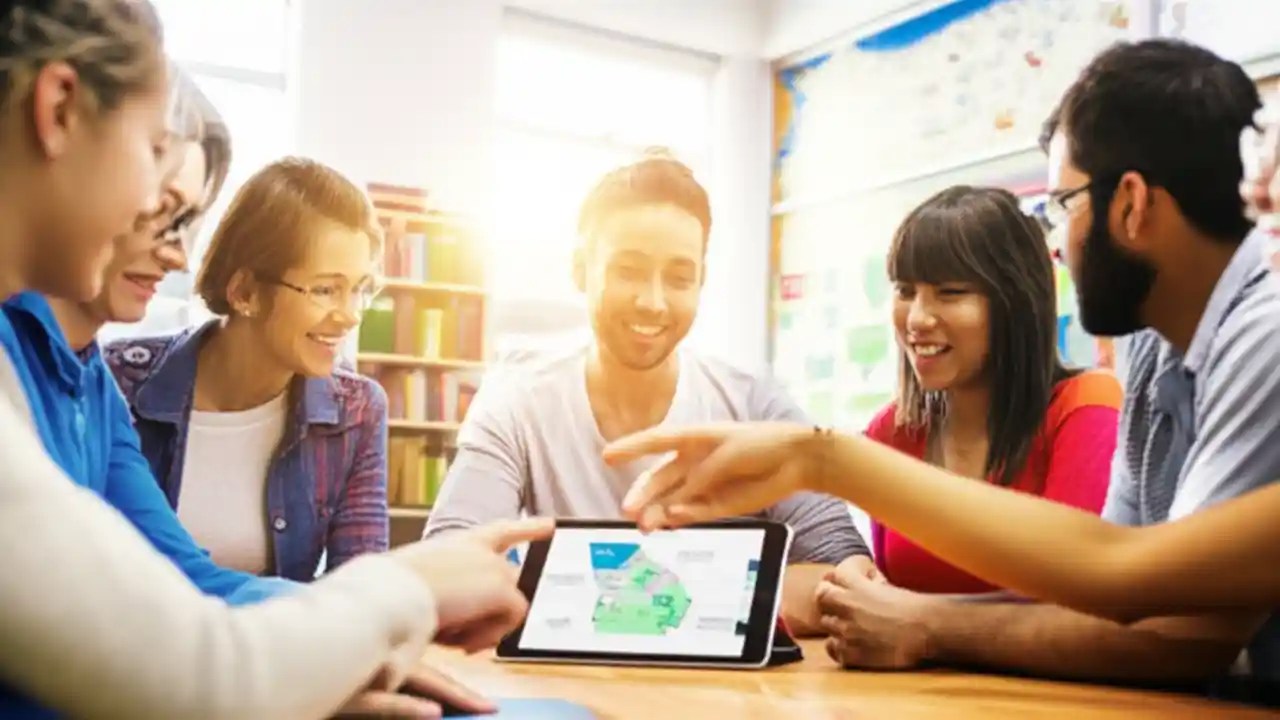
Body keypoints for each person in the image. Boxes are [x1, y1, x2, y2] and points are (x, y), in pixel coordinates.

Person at [607, 39, 1280, 692]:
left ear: (1131, 205)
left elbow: (1147, 597)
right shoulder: (1157, 345)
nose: (1058, 242)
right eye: (906, 290)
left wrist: (825, 463)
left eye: (1063, 206)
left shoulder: (1261, 334)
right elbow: (1113, 587)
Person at [0, 3, 547, 718]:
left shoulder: (87, 380)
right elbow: (199, 673)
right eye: (153, 160)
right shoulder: (65, 363)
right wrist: (407, 589)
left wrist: (334, 652)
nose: (168, 241)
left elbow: (185, 586)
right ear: (60, 110)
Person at [425, 151, 871, 634]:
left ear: (701, 281)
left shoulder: (753, 403)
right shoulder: (518, 399)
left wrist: (585, 598)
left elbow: (849, 582)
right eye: (629, 271)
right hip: (568, 678)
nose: (653, 302)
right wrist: (720, 597)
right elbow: (449, 570)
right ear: (580, 270)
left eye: (679, 278)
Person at [101, 156, 392, 581]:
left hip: (279, 628)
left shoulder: (357, 410)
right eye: (326, 289)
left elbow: (362, 588)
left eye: (360, 290)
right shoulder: (117, 382)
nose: (350, 316)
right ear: (245, 292)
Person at [861, 185, 1119, 595]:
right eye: (905, 291)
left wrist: (911, 622)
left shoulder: (1085, 407)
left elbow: (1070, 597)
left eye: (950, 293)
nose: (917, 318)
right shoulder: (892, 431)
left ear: (1015, 301)